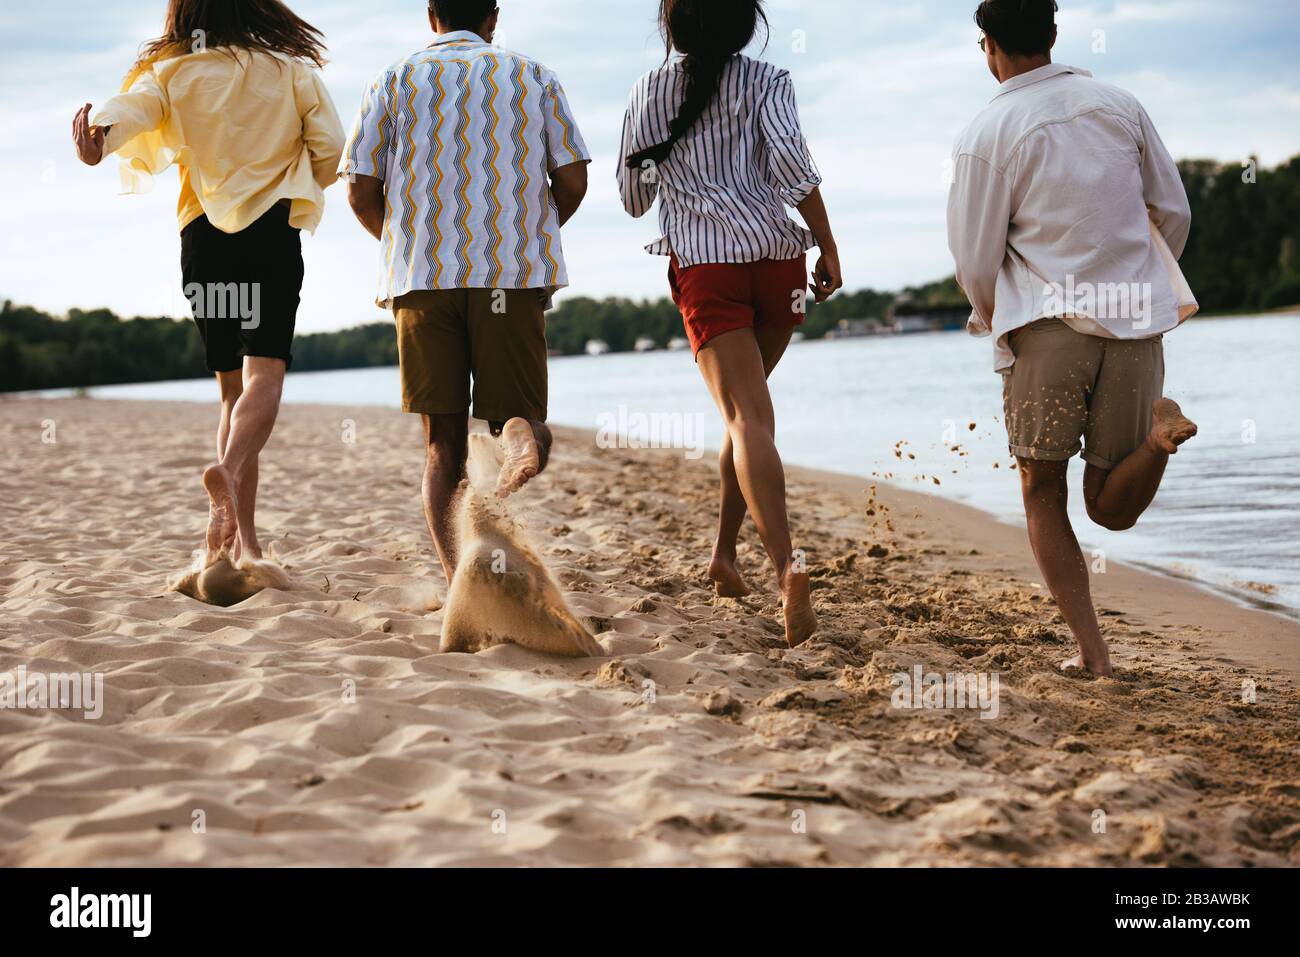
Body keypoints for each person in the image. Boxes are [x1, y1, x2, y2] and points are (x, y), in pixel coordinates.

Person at [947, 0, 1199, 677]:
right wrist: (1141, 280)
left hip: (1048, 329)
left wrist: (992, 316)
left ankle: (1093, 653)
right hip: (1135, 326)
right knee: (1108, 505)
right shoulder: (1118, 104)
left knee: (1042, 492)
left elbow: (974, 257)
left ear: (988, 46)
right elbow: (1174, 210)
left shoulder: (987, 131)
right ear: (1055, 36)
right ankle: (1157, 438)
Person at [73, 0, 344, 566]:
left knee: (230, 390)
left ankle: (241, 546)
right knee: (264, 376)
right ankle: (231, 486)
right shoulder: (290, 70)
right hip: (270, 234)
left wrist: (99, 140)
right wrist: (299, 180)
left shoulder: (173, 71)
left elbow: (133, 110)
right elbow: (331, 149)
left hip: (203, 240)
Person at [341, 1, 590, 585]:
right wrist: (527, 237)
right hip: (510, 276)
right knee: (521, 417)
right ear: (493, 16)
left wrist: (406, 245)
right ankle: (518, 431)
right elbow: (573, 178)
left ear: (431, 14)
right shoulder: (535, 76)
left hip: (423, 281)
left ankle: (459, 584)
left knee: (441, 448)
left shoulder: (391, 79)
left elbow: (358, 189)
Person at [617, 0, 841, 647]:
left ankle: (785, 568)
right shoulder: (768, 81)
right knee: (751, 418)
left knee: (746, 418)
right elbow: (796, 172)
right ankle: (723, 554)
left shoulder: (649, 91)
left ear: (673, 26)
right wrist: (827, 245)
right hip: (779, 264)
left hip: (708, 268)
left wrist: (671, 162)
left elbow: (634, 201)